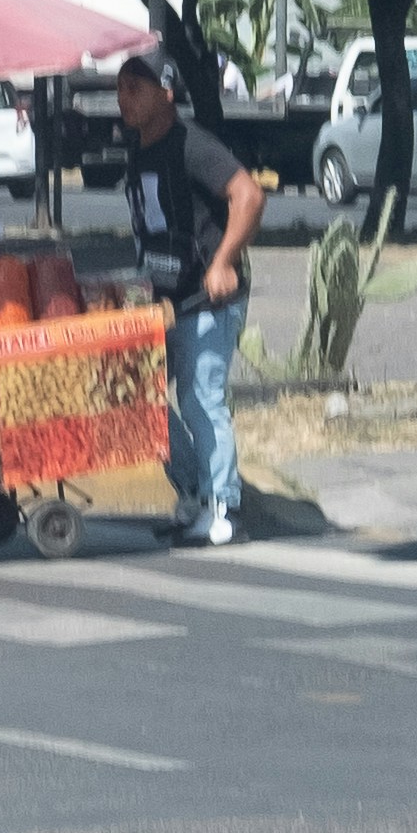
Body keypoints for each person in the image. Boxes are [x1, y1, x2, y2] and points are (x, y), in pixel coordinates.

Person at [109, 58, 268, 549]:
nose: (123, 98)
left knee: (200, 399)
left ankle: (227, 508)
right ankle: (195, 495)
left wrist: (224, 261)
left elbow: (249, 196)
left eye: (135, 88)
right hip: (164, 300)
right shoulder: (140, 148)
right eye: (120, 88)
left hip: (208, 298)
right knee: (144, 401)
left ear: (166, 93)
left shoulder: (192, 144)